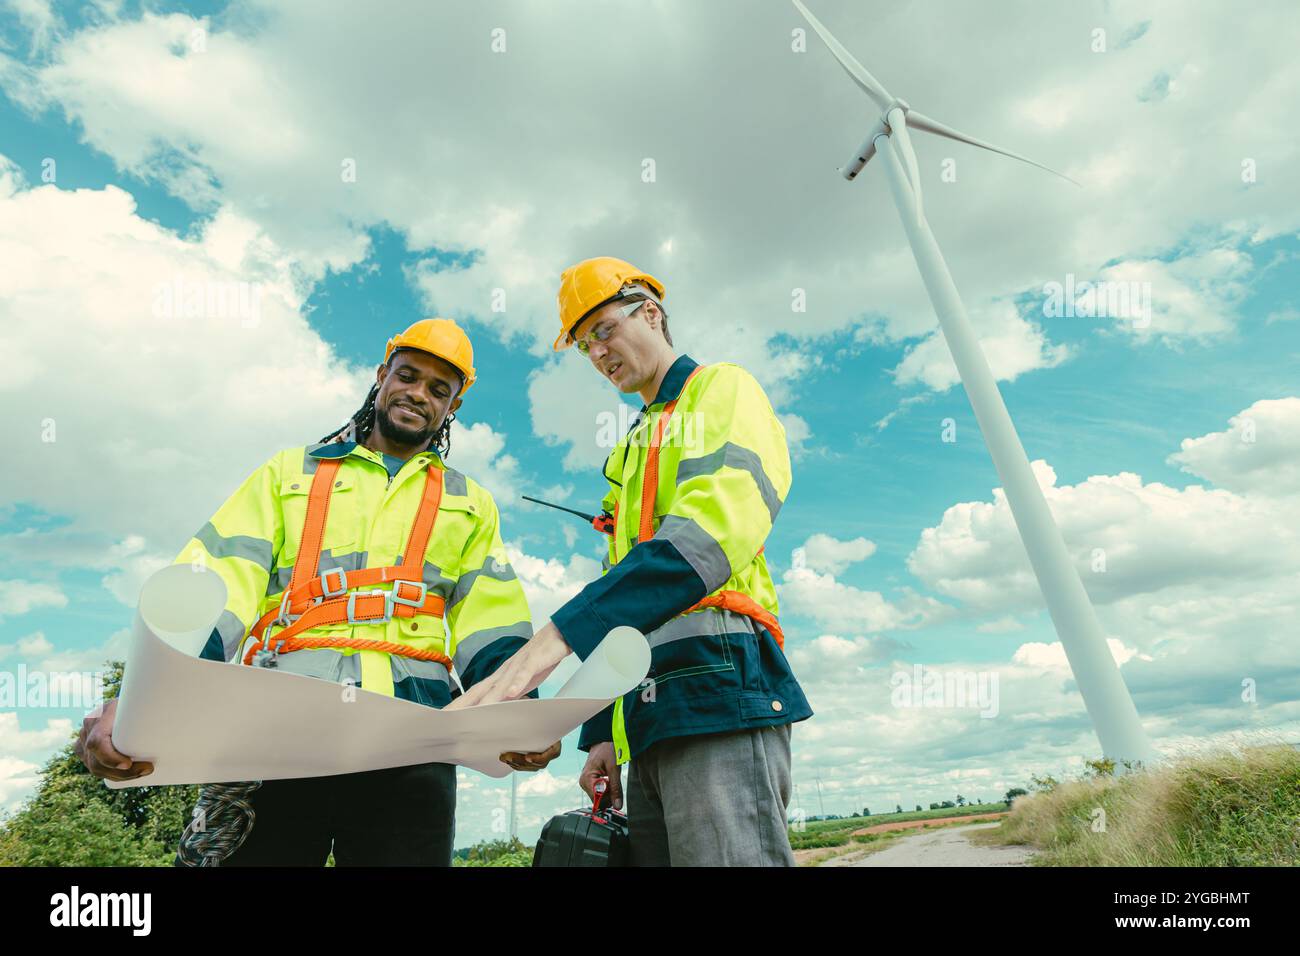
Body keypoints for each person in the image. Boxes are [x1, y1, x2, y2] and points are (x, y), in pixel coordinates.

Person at [76, 318, 559, 866]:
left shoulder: (470, 502)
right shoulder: (290, 473)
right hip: (278, 725)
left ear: (452, 408)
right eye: (408, 375)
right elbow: (216, 580)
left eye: (438, 389)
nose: (418, 393)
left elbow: (491, 621)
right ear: (382, 377)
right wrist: (148, 701)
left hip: (415, 732)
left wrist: (522, 714)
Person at [449, 258, 812, 866]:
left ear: (651, 312)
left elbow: (705, 540)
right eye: (584, 344)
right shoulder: (632, 452)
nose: (597, 353)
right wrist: (600, 738)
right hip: (647, 717)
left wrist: (548, 645)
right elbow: (626, 620)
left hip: (717, 689)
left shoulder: (721, 391)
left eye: (604, 330)